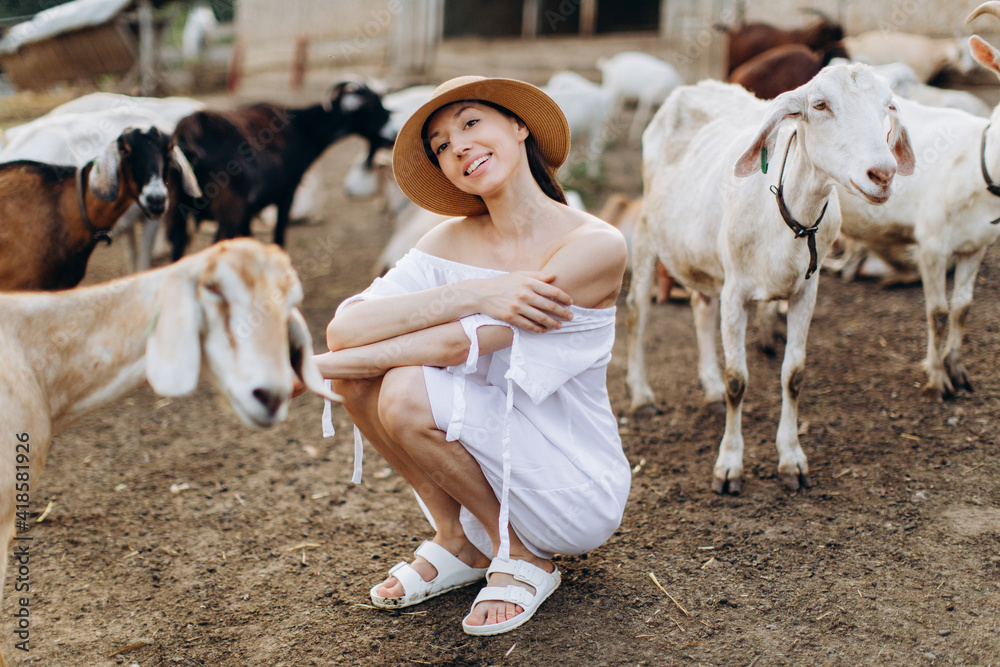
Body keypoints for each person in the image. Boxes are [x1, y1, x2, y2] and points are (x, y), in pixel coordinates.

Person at [311, 75, 631, 635]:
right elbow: (345, 329)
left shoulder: (595, 245)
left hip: (568, 484)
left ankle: (524, 554)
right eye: (440, 144)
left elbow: (458, 344)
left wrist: (320, 370)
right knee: (365, 377)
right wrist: (474, 292)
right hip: (477, 480)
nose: (457, 145)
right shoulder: (445, 243)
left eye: (470, 122)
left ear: (518, 124)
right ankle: (461, 541)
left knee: (401, 385)